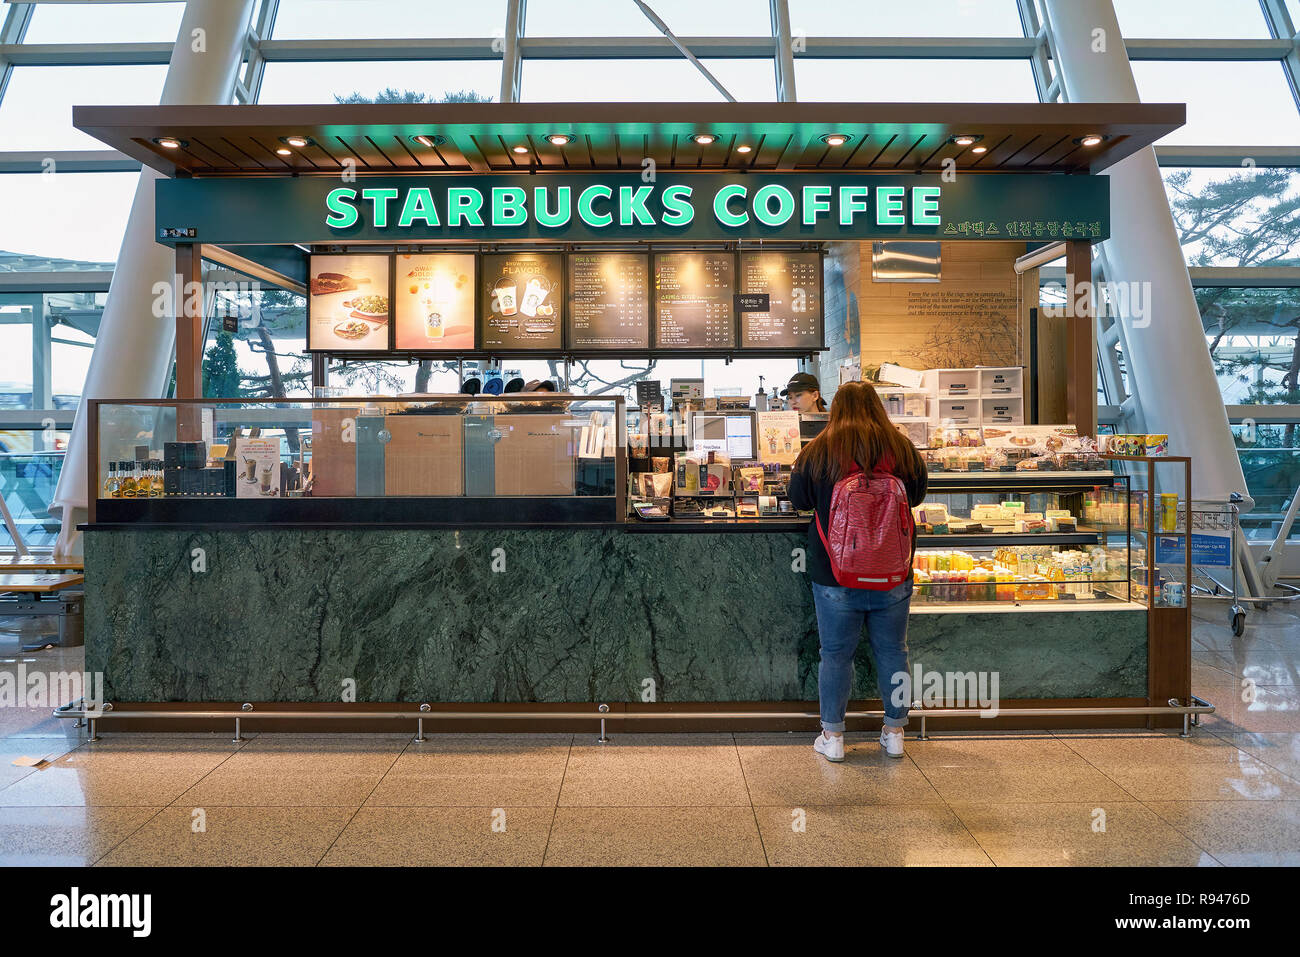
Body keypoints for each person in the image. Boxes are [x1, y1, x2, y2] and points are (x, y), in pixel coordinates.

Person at [787, 380, 928, 762]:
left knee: (834, 655)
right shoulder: (901, 448)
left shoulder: (820, 449)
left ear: (836, 408)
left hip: (835, 572)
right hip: (893, 571)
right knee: (894, 651)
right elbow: (916, 497)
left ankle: (832, 738)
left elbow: (798, 499)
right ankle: (895, 731)